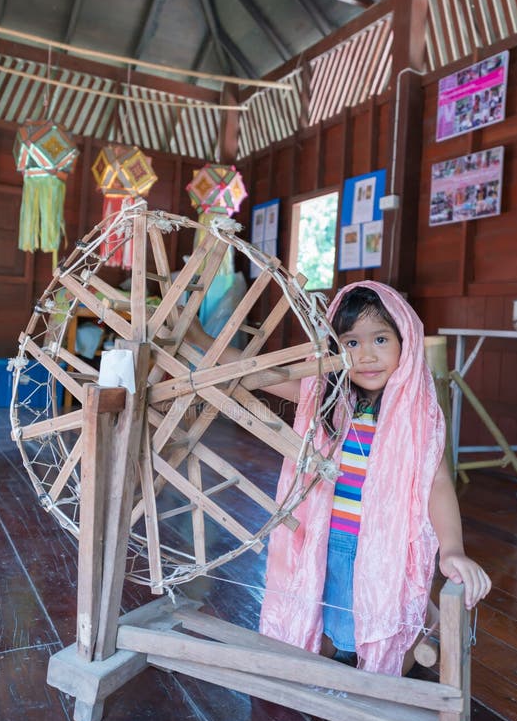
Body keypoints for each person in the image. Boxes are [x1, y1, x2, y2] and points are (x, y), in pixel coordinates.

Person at [189, 280, 491, 677]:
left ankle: (414, 631)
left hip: (383, 549)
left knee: (383, 644)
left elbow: (436, 484)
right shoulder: (326, 400)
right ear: (334, 350)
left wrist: (452, 549)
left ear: (407, 342)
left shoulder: (418, 415)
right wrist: (197, 339)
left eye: (381, 339)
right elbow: (258, 373)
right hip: (327, 541)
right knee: (324, 626)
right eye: (351, 343)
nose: (366, 355)